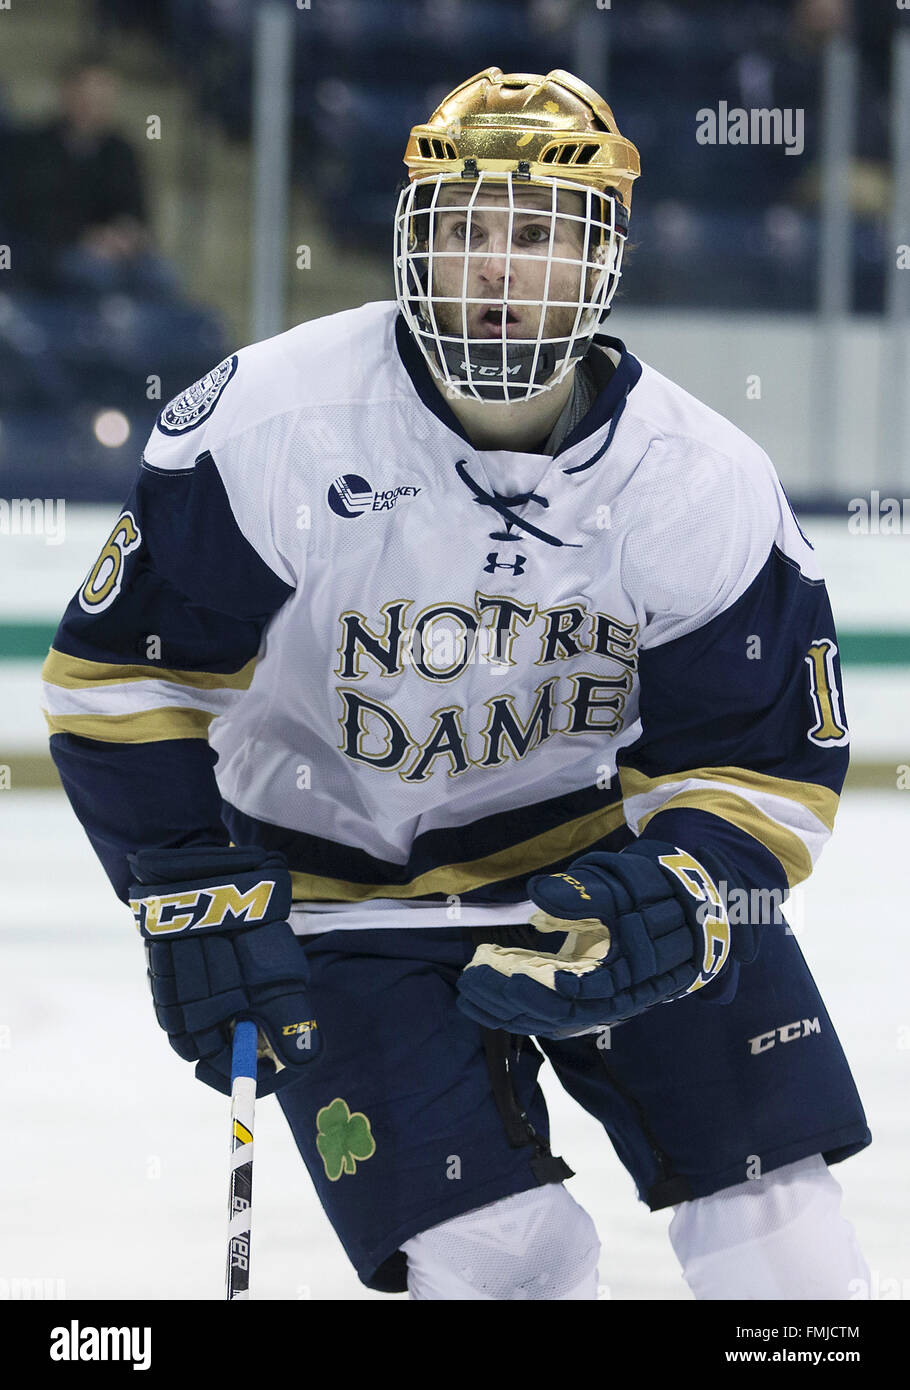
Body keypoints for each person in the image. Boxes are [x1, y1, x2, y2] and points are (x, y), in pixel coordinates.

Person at [42, 67, 870, 1300]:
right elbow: (119, 684)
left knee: (785, 1242)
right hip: (332, 894)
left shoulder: (698, 478)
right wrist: (188, 882)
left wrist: (688, 885)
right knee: (499, 1267)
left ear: (602, 257)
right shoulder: (272, 424)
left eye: (535, 234)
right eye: (463, 229)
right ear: (410, 242)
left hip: (597, 868)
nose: (494, 267)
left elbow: (755, 759)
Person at [10, 57, 177, 296]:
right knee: (95, 274)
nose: (95, 106)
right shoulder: (32, 146)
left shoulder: (122, 150)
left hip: (114, 251)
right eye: (88, 97)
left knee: (160, 276)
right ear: (68, 94)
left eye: (103, 99)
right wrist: (86, 237)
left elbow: (135, 209)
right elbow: (30, 213)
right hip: (52, 250)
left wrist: (126, 234)